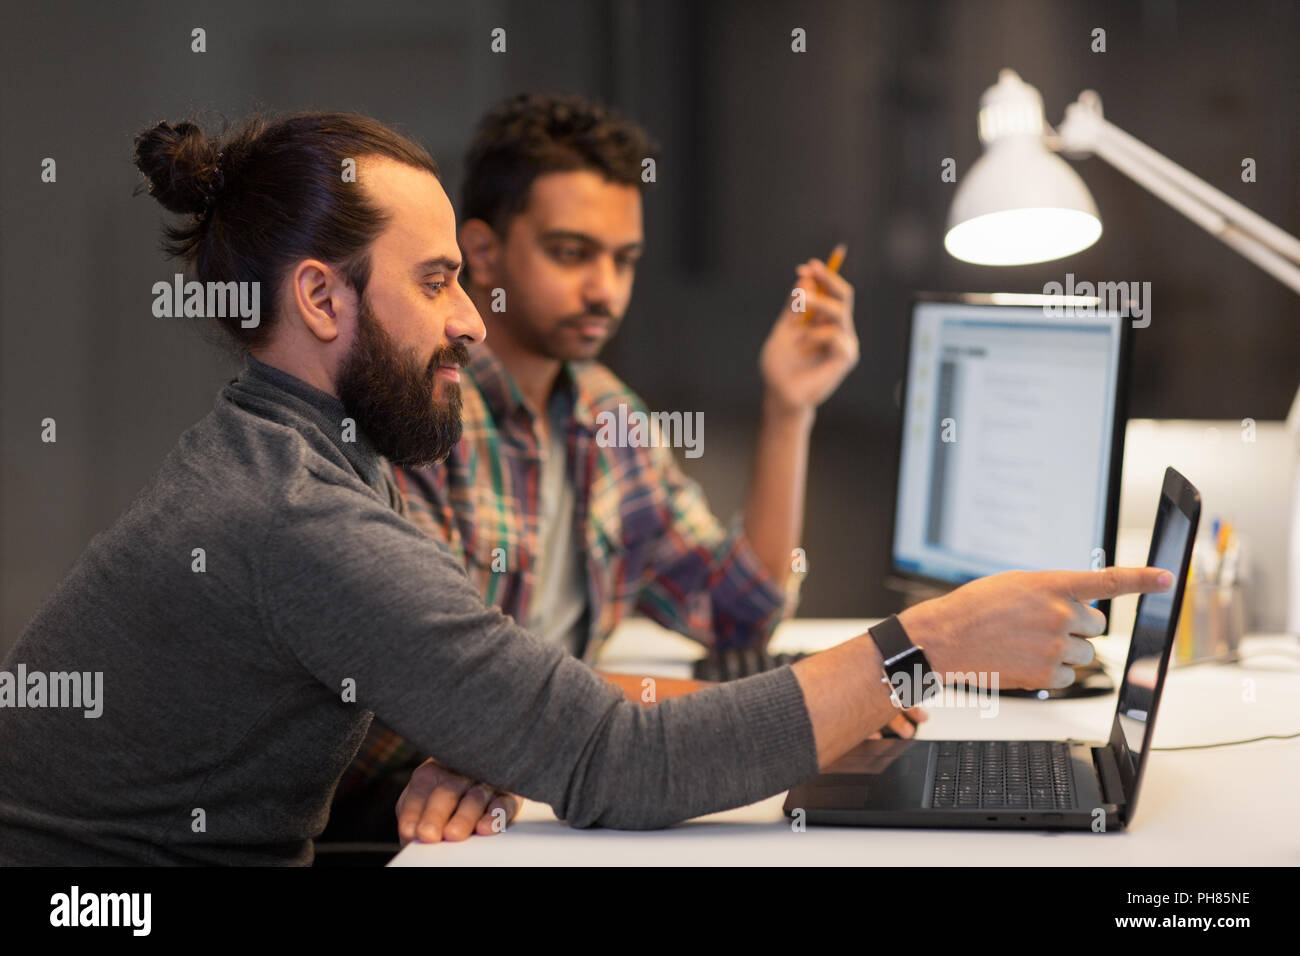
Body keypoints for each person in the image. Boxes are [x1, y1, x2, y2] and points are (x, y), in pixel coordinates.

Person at [0, 110, 1172, 865]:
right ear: (321, 300)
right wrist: (939, 636)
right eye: (438, 281)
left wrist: (505, 729)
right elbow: (622, 761)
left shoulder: (311, 455)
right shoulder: (297, 513)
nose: (469, 320)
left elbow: (561, 694)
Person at [330, 92, 894, 843]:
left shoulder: (607, 413)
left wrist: (788, 408)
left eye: (623, 259)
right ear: (485, 252)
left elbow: (740, 613)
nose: (605, 288)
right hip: (397, 816)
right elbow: (458, 692)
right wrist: (800, 706)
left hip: (536, 782)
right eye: (572, 252)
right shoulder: (419, 416)